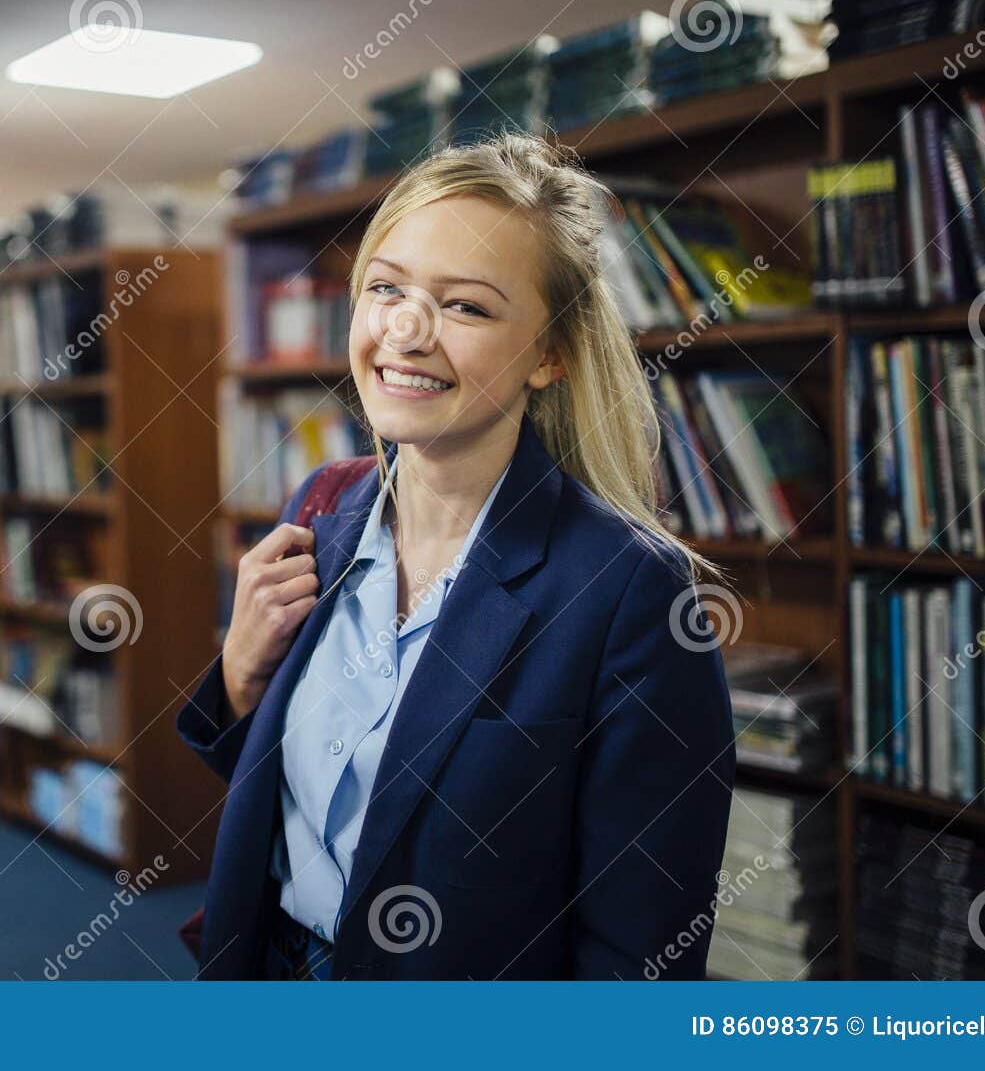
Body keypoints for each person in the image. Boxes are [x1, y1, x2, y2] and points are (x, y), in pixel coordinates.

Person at [177, 132, 736, 980]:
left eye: (466, 306)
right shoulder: (322, 506)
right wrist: (237, 681)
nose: (405, 331)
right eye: (385, 288)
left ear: (550, 353)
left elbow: (641, 949)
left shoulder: (627, 591)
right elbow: (297, 800)